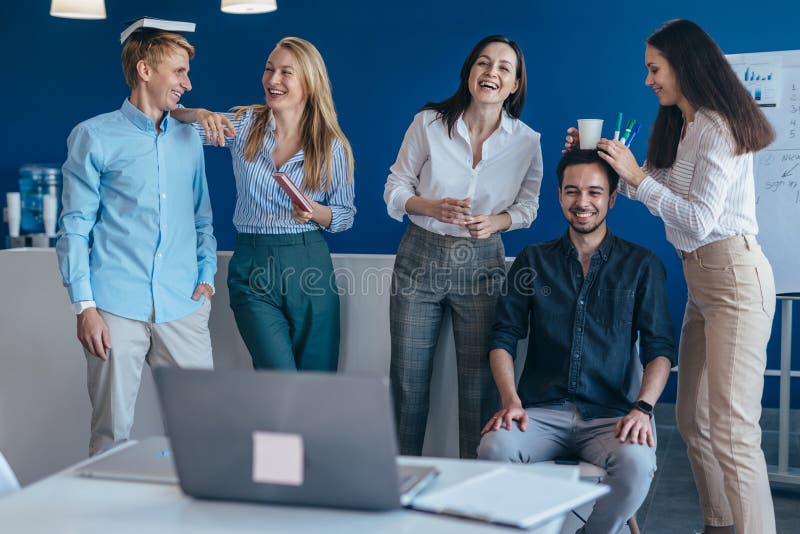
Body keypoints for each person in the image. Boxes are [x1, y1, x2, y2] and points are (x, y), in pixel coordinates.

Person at [568, 18, 778, 534]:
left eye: (654, 68)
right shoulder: (689, 125)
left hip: (732, 276)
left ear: (683, 65)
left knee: (732, 430)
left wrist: (638, 177)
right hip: (705, 279)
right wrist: (615, 166)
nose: (648, 80)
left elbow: (697, 218)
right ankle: (721, 524)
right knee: (692, 420)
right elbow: (668, 192)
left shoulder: (718, 126)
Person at [477, 149, 675, 533]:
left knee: (635, 464)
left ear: (612, 199)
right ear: (559, 196)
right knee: (493, 449)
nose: (582, 203)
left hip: (611, 417)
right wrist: (510, 401)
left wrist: (643, 408)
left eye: (594, 192)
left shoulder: (642, 264)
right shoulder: (533, 260)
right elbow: (503, 335)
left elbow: (659, 349)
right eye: (572, 191)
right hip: (539, 412)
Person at [57, 29, 217, 456]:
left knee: (204, 431)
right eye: (179, 71)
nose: (187, 83)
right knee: (111, 434)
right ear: (145, 70)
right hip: (114, 309)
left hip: (183, 304)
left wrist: (207, 278)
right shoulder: (94, 136)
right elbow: (74, 227)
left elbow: (201, 216)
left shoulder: (189, 137)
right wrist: (85, 308)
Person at [384, 35, 543, 459]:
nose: (491, 73)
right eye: (483, 63)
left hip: (483, 264)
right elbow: (395, 187)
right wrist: (430, 206)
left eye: (503, 68)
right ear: (469, 72)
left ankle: (473, 496)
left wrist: (498, 222)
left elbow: (529, 207)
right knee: (407, 381)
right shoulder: (429, 123)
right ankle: (399, 488)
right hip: (419, 257)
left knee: (479, 389)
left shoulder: (527, 141)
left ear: (515, 84)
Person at [173, 37, 355, 372]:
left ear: (310, 83)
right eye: (269, 69)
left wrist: (314, 211)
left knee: (317, 382)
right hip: (252, 265)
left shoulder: (331, 145)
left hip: (309, 265)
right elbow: (171, 127)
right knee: (277, 379)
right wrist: (198, 113)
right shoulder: (244, 126)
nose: (272, 80)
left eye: (286, 72)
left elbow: (344, 216)